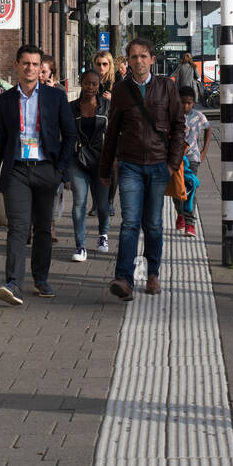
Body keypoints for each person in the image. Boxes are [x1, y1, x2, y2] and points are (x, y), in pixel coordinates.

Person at [0, 44, 76, 305]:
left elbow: (70, 135)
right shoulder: (6, 100)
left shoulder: (55, 97)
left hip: (46, 169)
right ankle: (13, 283)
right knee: (18, 228)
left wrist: (60, 169)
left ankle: (41, 278)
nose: (31, 68)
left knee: (43, 229)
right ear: (16, 66)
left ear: (40, 68)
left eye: (35, 64)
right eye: (25, 63)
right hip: (17, 171)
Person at [99, 37, 185, 301]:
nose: (139, 61)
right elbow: (112, 131)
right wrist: (105, 169)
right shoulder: (122, 90)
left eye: (143, 56)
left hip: (159, 165)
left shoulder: (167, 88)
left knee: (154, 224)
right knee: (129, 223)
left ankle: (153, 273)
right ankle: (124, 278)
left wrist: (172, 164)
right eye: (133, 57)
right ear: (128, 61)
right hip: (130, 165)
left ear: (152, 60)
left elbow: (180, 126)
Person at [68, 70, 111, 261]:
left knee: (102, 204)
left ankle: (103, 235)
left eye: (94, 84)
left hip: (101, 161)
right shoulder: (71, 108)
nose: (90, 87)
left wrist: (114, 159)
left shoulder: (107, 107)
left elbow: (113, 134)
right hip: (78, 160)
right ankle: (80, 246)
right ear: (81, 83)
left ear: (99, 84)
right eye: (87, 83)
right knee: (79, 202)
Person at [175, 90, 211, 237]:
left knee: (190, 189)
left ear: (193, 103)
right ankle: (180, 214)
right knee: (177, 190)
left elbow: (208, 129)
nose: (185, 106)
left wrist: (204, 151)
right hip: (176, 159)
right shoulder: (173, 115)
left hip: (192, 158)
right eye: (182, 102)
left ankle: (190, 224)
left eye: (189, 103)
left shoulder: (198, 116)